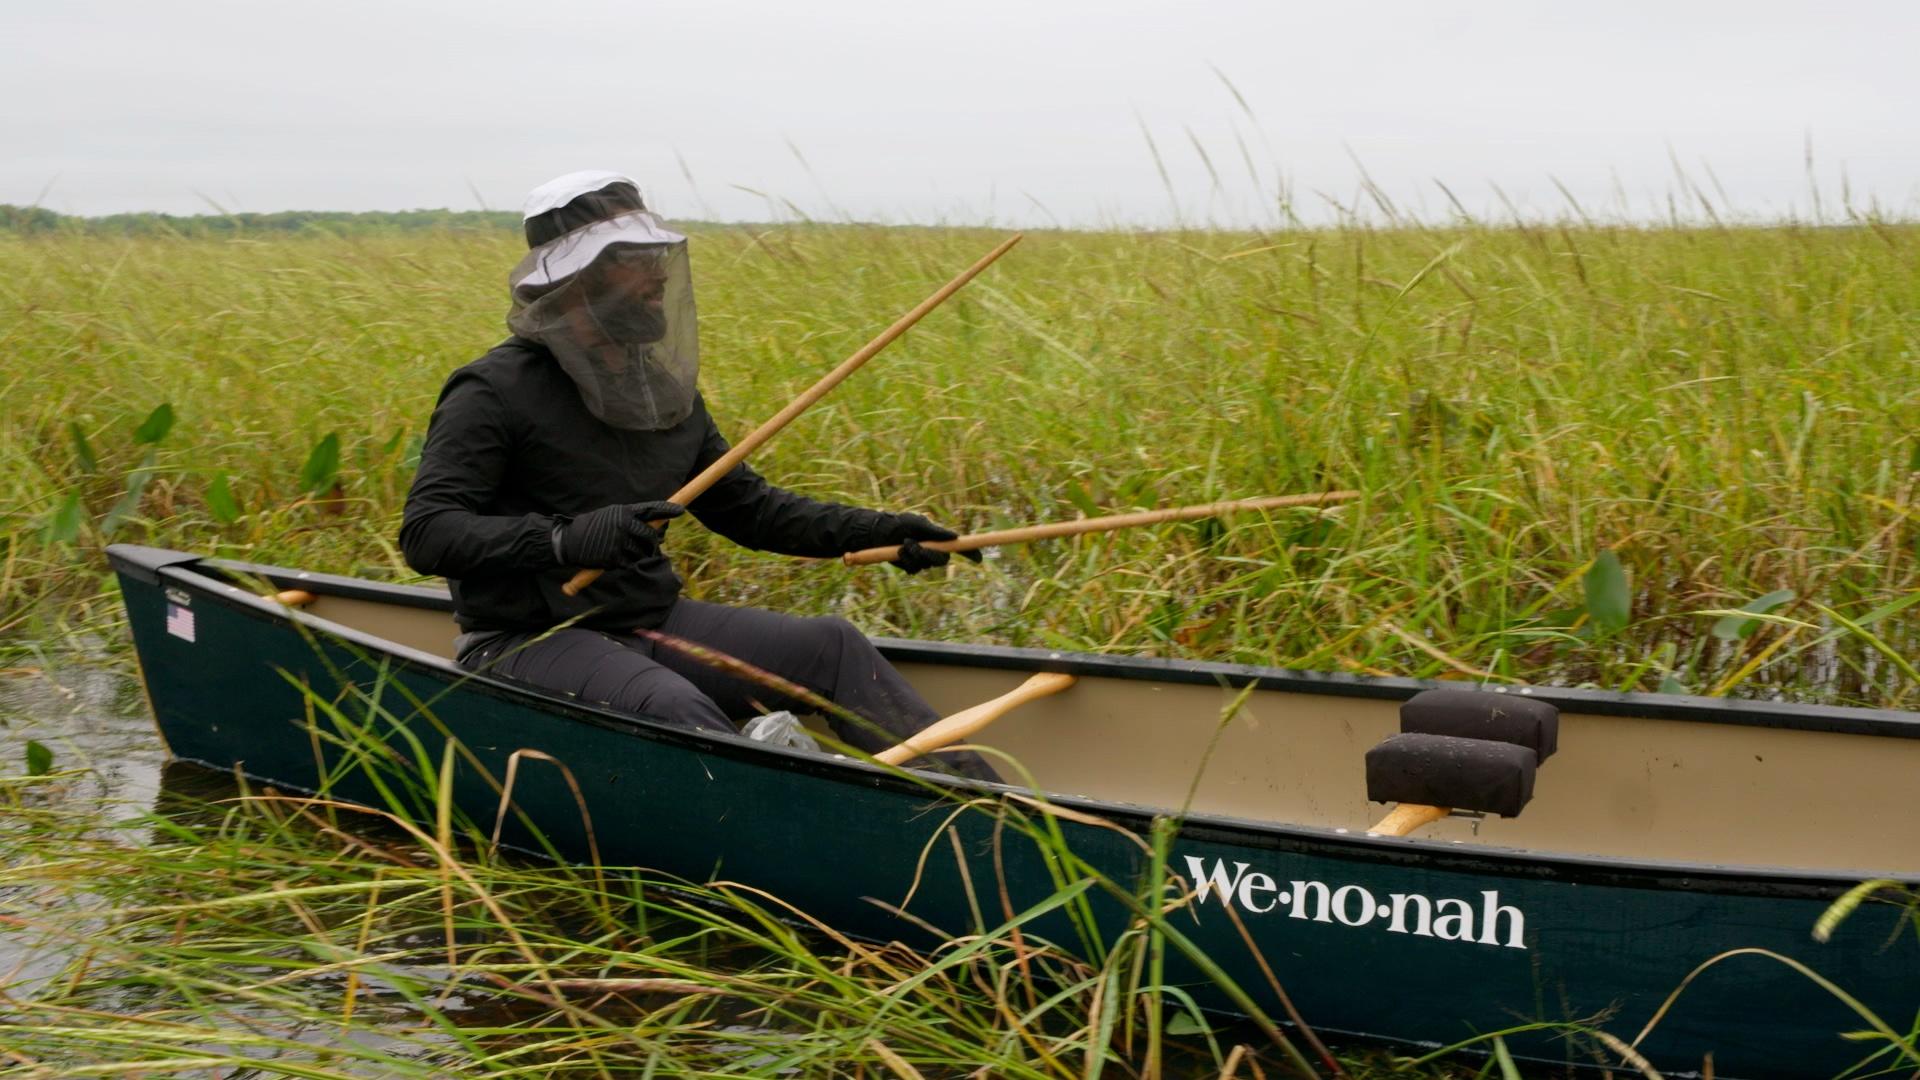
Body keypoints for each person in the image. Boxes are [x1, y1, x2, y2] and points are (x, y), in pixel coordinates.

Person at [400, 170, 996, 781]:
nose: (658, 273)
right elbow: (428, 533)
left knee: (833, 646)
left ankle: (987, 807)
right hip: (527, 638)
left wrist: (878, 532)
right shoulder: (492, 390)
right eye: (632, 258)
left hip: (650, 621)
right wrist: (563, 540)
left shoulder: (656, 390)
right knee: (674, 706)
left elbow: (749, 509)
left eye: (657, 254)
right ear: (575, 279)